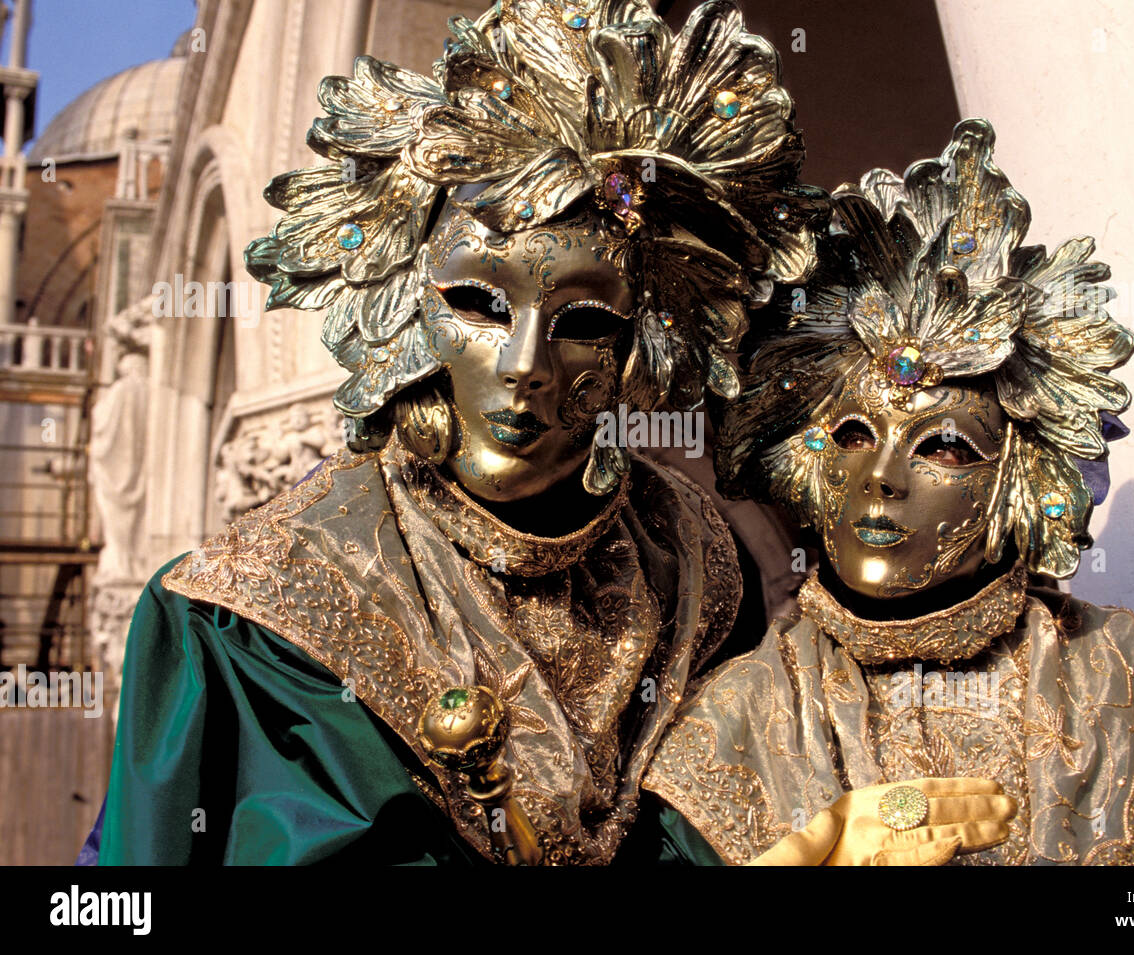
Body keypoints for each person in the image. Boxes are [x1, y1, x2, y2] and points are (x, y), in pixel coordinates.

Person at [95, 0, 819, 865]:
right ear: (409, 308)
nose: (525, 366)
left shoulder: (697, 575)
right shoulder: (247, 622)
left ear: (638, 343)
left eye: (582, 318)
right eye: (478, 303)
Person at [644, 119, 1134, 865]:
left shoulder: (1130, 683)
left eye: (945, 446)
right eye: (854, 433)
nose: (884, 478)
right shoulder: (729, 727)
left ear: (1022, 478)